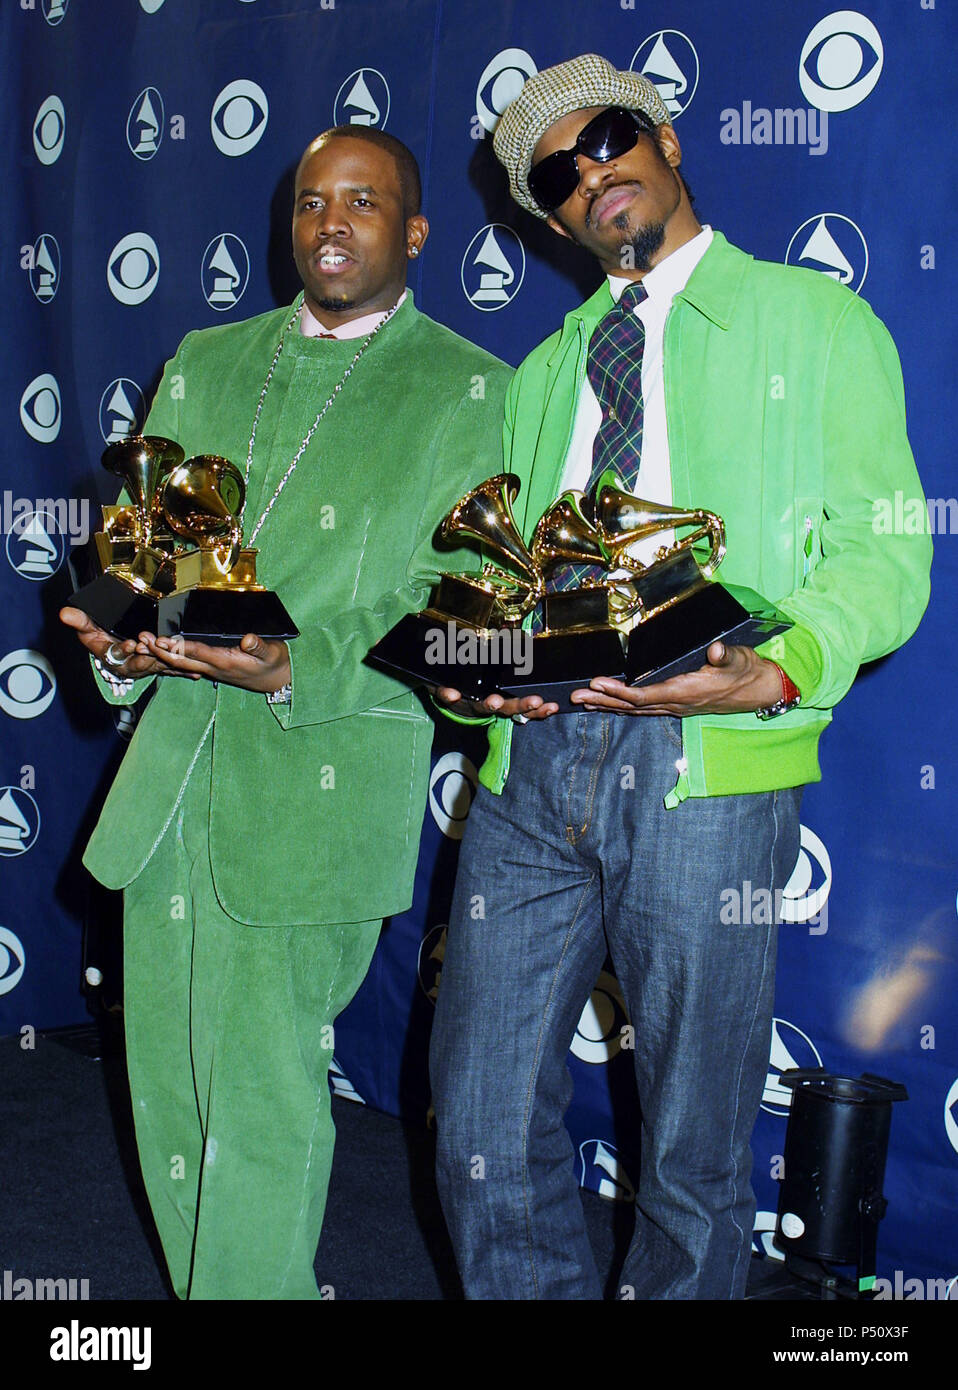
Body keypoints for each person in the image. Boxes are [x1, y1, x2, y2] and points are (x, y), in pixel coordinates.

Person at [429, 54, 931, 1300]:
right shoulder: (544, 374)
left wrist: (774, 672)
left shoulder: (813, 323)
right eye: (557, 174)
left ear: (664, 138)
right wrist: (472, 677)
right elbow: (512, 585)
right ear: (545, 217)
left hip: (706, 769)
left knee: (694, 1162)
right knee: (477, 1126)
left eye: (606, 138)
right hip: (527, 770)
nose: (591, 174)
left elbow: (883, 549)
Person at [59, 126, 512, 1300]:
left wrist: (292, 672)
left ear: (414, 232)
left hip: (314, 797)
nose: (331, 224)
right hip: (167, 794)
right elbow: (145, 550)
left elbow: (455, 618)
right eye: (312, 201)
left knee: (258, 1101)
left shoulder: (472, 389)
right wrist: (119, 640)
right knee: (169, 1095)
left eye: (364, 203)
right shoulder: (207, 358)